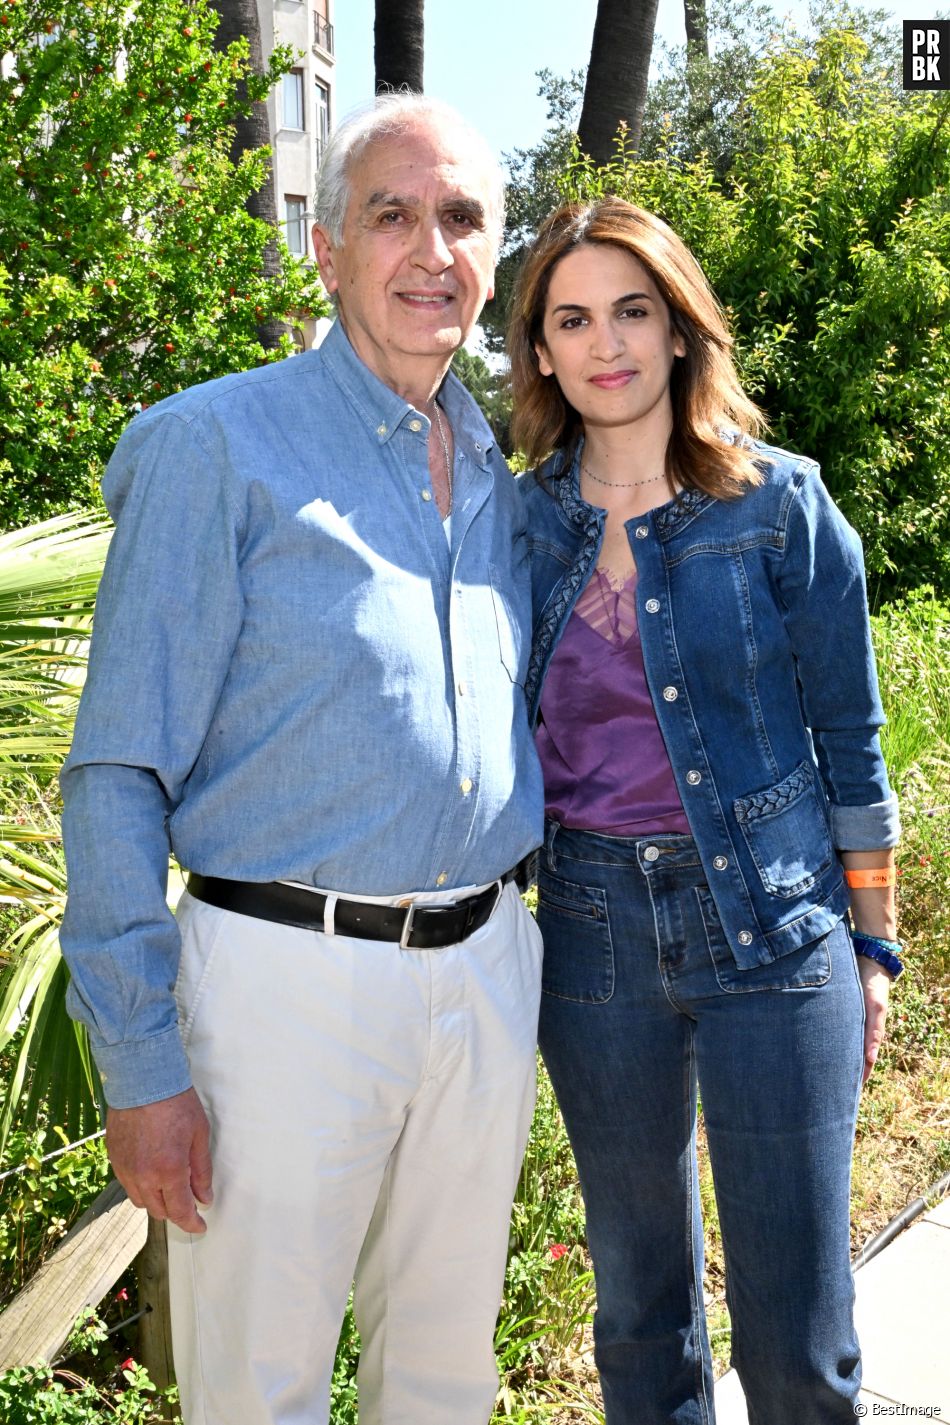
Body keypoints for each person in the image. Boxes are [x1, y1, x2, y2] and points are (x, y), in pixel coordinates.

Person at [59, 94, 544, 1425]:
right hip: (283, 987)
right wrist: (143, 1063)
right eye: (390, 214)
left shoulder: (505, 470)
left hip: (487, 969)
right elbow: (114, 772)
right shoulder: (212, 446)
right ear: (325, 250)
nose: (428, 248)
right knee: (256, 1390)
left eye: (460, 219)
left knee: (444, 1378)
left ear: (494, 256)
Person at [509, 197, 902, 1425]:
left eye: (631, 310)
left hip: (776, 931)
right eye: (571, 318)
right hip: (588, 934)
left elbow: (850, 734)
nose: (604, 343)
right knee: (636, 1318)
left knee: (793, 1341)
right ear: (537, 352)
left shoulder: (778, 504)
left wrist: (873, 941)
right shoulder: (513, 523)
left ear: (679, 332)